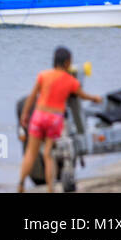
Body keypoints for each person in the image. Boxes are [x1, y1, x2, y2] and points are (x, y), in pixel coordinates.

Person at [18, 46, 102, 193]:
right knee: (48, 154)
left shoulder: (43, 75)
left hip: (39, 115)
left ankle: (20, 184)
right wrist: (94, 98)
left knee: (31, 153)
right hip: (54, 118)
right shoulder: (71, 81)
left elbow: (32, 97)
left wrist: (24, 115)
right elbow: (82, 95)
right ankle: (50, 189)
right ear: (67, 62)